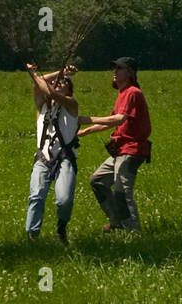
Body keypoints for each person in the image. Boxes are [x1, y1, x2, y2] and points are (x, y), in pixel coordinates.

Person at [79, 58, 151, 232]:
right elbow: (111, 122)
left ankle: (133, 232)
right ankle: (116, 221)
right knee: (97, 181)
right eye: (114, 68)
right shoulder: (123, 93)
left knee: (122, 192)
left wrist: (87, 119)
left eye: (119, 68)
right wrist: (83, 131)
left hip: (132, 150)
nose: (114, 71)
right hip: (121, 151)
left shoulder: (133, 92)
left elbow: (119, 119)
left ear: (130, 73)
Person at [24, 63, 81, 243]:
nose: (59, 83)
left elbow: (51, 92)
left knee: (64, 200)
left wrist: (34, 75)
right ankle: (32, 236)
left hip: (65, 158)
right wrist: (60, 72)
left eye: (64, 82)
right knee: (36, 195)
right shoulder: (42, 106)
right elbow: (37, 85)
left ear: (70, 89)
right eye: (57, 82)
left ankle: (61, 227)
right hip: (43, 158)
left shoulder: (71, 104)